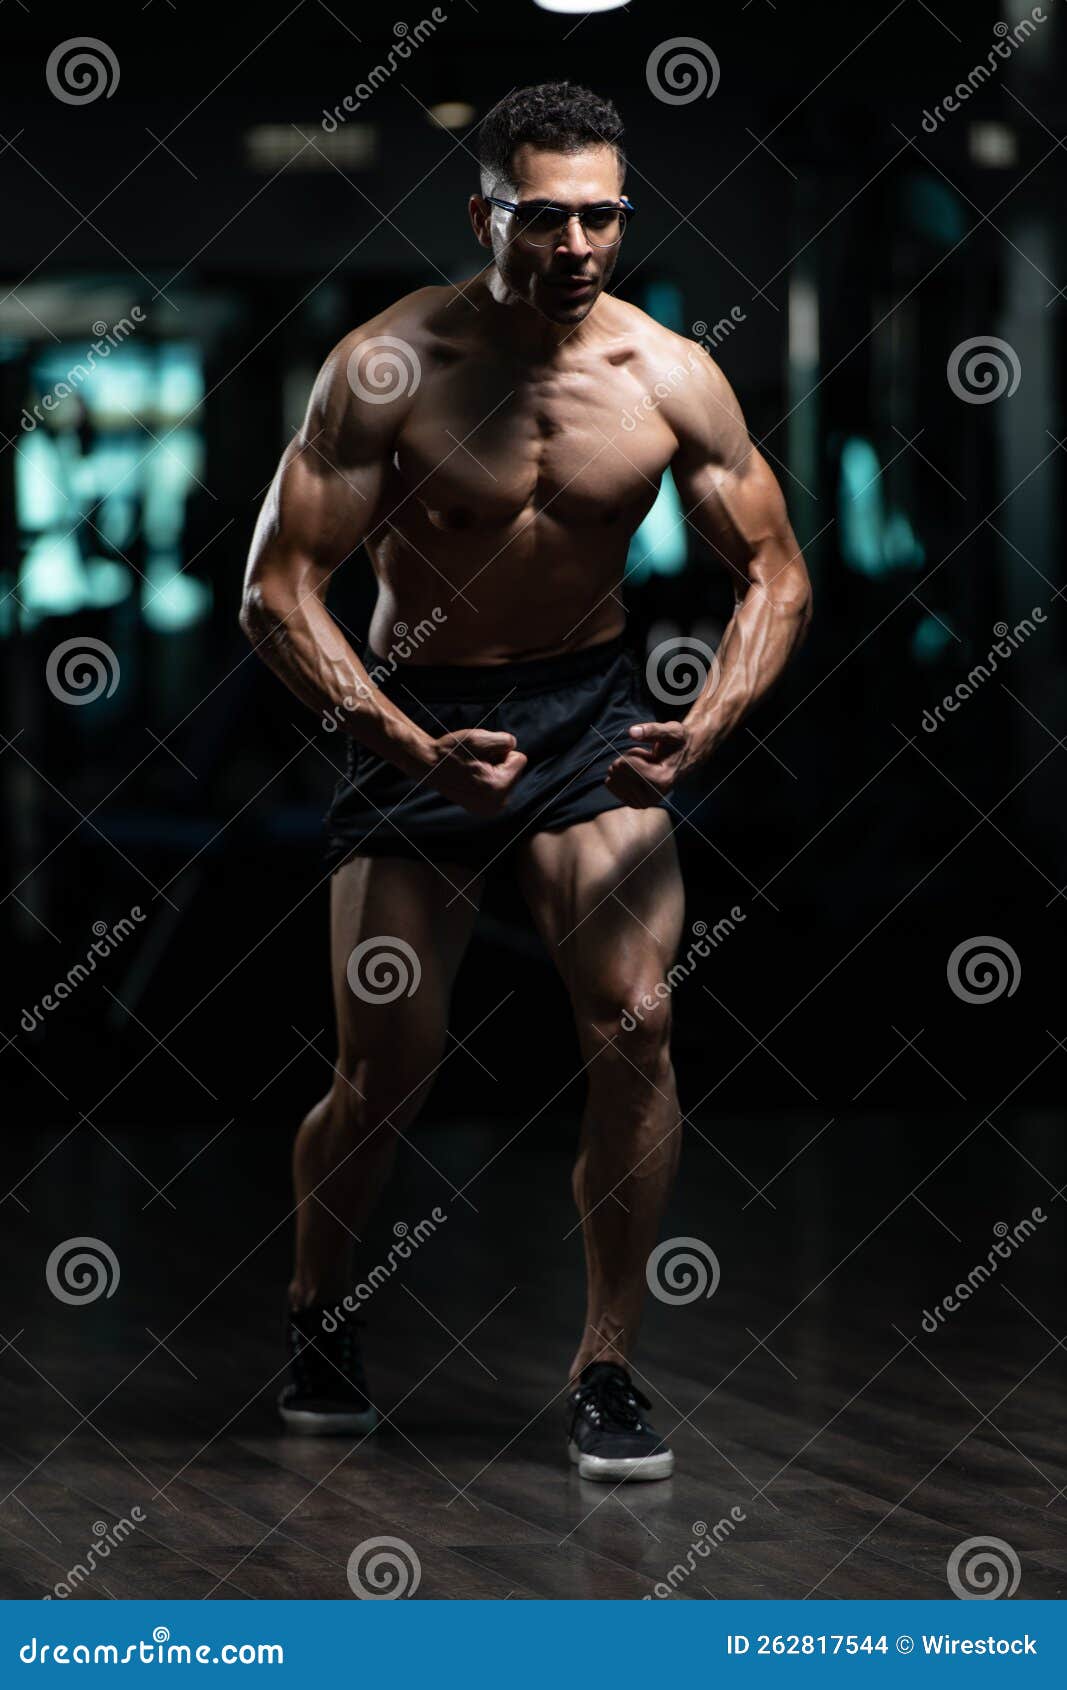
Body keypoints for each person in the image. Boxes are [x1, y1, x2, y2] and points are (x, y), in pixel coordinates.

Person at [240, 80, 812, 1483]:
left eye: (600, 215)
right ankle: (320, 1311)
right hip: (417, 710)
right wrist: (403, 740)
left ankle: (607, 1361)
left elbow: (777, 572)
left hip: (587, 712)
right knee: (387, 1067)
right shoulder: (388, 368)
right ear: (485, 210)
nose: (575, 246)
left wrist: (712, 723)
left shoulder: (671, 375)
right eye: (544, 216)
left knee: (635, 1018)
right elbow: (277, 591)